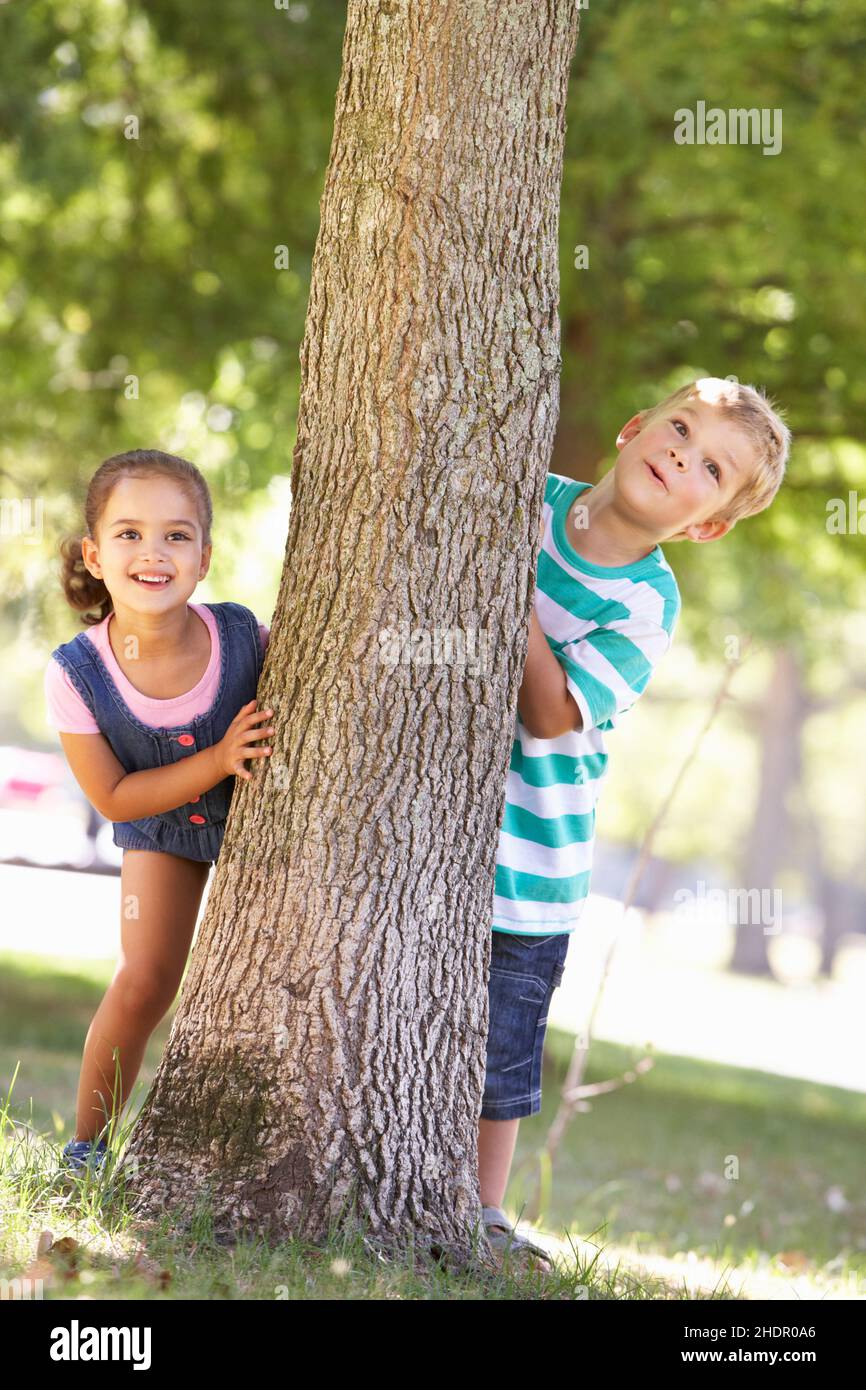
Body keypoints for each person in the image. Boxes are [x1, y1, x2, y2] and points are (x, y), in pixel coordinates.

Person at [479, 377, 791, 1269]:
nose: (681, 453)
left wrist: (503, 583)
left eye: (710, 467)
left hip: (533, 859)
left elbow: (547, 713)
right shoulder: (525, 496)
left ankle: (484, 1208)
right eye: (679, 428)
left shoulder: (646, 606)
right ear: (631, 428)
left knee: (501, 1056)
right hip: (431, 837)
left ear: (708, 525)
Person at [44, 449, 275, 1175]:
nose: (153, 552)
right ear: (95, 553)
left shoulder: (242, 635)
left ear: (205, 557)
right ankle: (86, 1149)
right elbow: (112, 796)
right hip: (160, 827)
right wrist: (211, 761)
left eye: (177, 536)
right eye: (129, 534)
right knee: (145, 978)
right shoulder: (77, 673)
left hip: (264, 825)